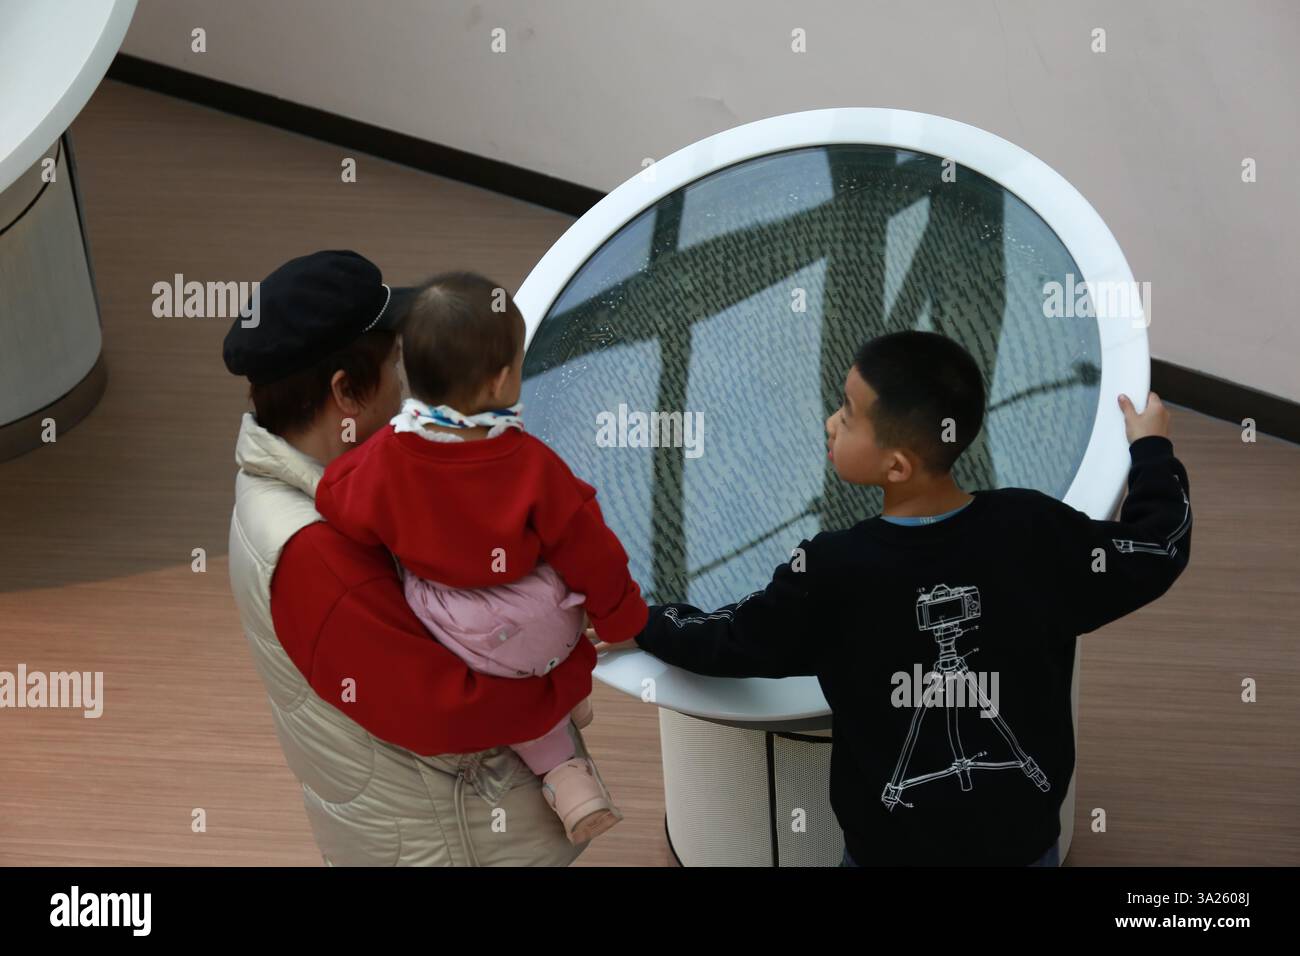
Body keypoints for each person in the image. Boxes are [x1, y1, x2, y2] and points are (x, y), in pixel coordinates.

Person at [622, 331, 1192, 866]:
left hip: (887, 852)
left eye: (846, 414)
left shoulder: (830, 570)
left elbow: (727, 639)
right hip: (1022, 843)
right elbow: (1157, 548)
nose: (830, 423)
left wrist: (640, 619)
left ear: (896, 465)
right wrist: (1152, 450)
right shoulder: (1031, 528)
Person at [223, 250, 598, 866]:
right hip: (453, 842)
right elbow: (446, 712)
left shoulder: (312, 481)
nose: (405, 386)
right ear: (346, 392)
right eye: (394, 367)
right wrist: (568, 662)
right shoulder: (312, 551)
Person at [314, 272, 649, 844]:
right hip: (546, 620)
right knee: (548, 646)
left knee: (511, 689)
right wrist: (622, 619)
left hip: (459, 628)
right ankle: (568, 719)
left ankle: (569, 783)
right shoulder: (533, 464)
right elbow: (591, 550)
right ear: (501, 380)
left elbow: (331, 498)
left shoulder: (383, 461)